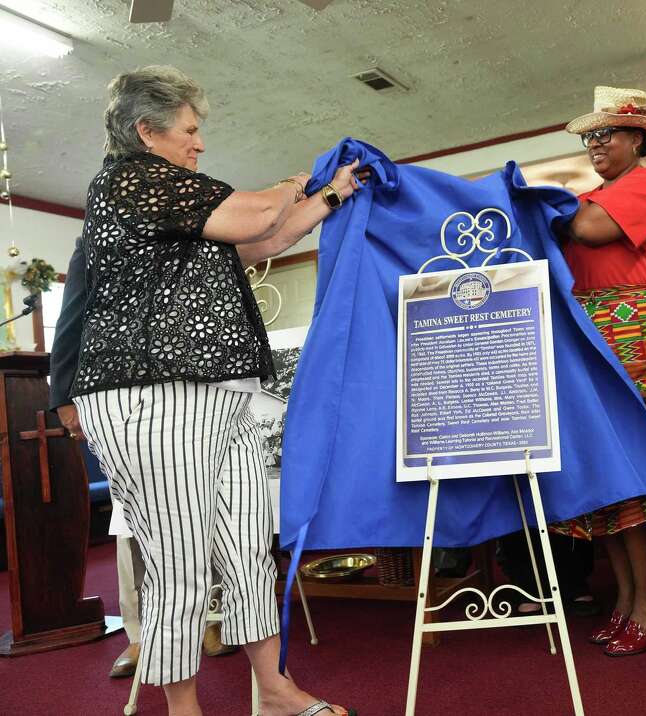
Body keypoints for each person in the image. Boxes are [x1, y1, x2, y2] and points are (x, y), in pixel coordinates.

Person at [71, 65, 361, 716]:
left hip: (221, 391)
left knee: (247, 545)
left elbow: (272, 233)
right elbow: (261, 209)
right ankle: (182, 708)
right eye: (190, 131)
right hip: (154, 392)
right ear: (148, 131)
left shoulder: (179, 197)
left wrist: (336, 192)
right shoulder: (130, 181)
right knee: (180, 560)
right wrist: (297, 182)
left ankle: (276, 690)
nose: (199, 143)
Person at [49, 239, 237, 680]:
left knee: (201, 512)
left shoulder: (189, 234)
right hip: (121, 403)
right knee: (131, 525)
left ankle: (210, 621)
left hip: (188, 395)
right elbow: (70, 317)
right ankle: (139, 635)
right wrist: (64, 398)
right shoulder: (94, 242)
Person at [555, 86, 646, 657]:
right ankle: (627, 598)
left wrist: (551, 205)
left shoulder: (645, 185)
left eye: (606, 133)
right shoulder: (594, 195)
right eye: (590, 136)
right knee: (605, 475)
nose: (595, 144)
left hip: (635, 329)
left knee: (627, 469)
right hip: (593, 329)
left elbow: (588, 233)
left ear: (638, 138)